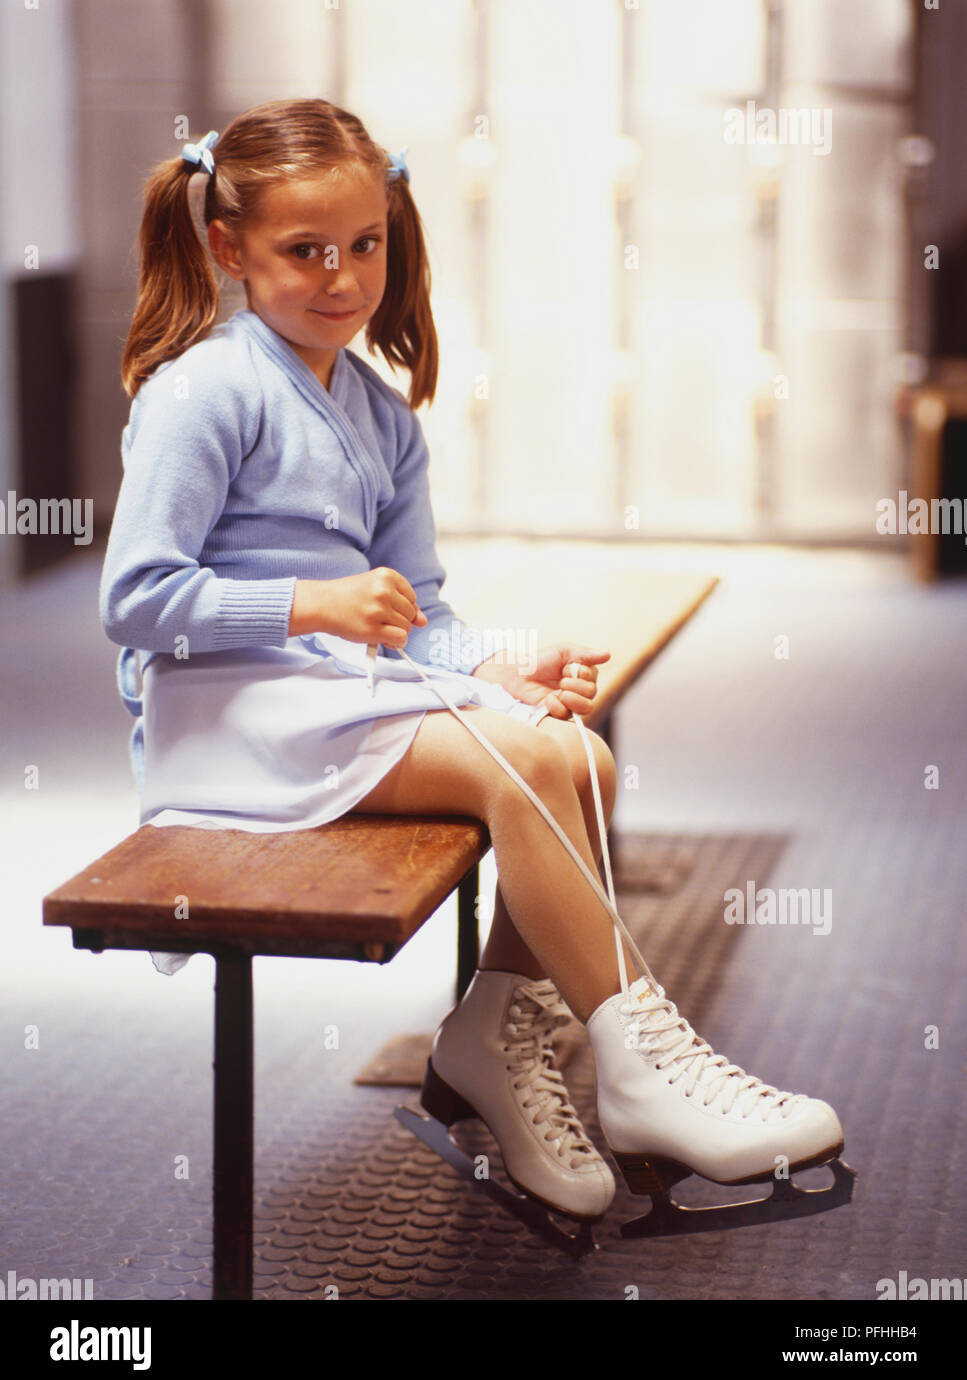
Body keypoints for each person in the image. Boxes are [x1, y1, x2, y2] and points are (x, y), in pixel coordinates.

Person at [100, 98, 845, 1227]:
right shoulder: (202, 391)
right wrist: (309, 600)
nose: (342, 276)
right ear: (227, 247)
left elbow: (418, 614)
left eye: (365, 245)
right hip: (227, 714)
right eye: (305, 251)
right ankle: (647, 1067)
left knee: (575, 756)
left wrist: (505, 665)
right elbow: (136, 601)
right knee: (520, 769)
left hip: (325, 692)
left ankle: (494, 1040)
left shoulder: (381, 414)